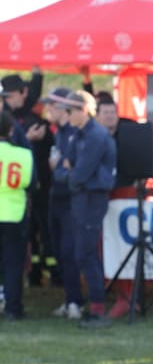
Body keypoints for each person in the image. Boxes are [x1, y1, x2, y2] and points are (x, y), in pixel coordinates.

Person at [54, 91, 117, 329]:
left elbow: (77, 175)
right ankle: (95, 307)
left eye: (69, 111)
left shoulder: (96, 136)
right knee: (82, 253)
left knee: (86, 254)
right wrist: (70, 172)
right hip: (81, 198)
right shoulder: (77, 135)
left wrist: (70, 172)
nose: (65, 115)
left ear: (83, 110)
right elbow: (61, 170)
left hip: (92, 199)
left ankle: (98, 309)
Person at [1, 69, 58, 287]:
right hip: (18, 200)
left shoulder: (29, 119)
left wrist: (38, 73)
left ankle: (48, 271)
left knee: (43, 231)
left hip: (33, 191)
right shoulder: (13, 122)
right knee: (22, 244)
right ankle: (33, 275)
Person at [43, 88, 84, 320]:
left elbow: (69, 168)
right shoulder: (58, 132)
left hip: (71, 199)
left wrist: (60, 168)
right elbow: (58, 165)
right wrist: (60, 167)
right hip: (56, 197)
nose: (48, 110)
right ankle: (69, 299)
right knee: (58, 250)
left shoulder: (75, 133)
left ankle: (76, 301)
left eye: (52, 106)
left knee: (69, 252)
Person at [0, 108, 34, 321]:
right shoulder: (23, 155)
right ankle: (13, 308)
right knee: (13, 264)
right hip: (14, 214)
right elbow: (31, 183)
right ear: (11, 130)